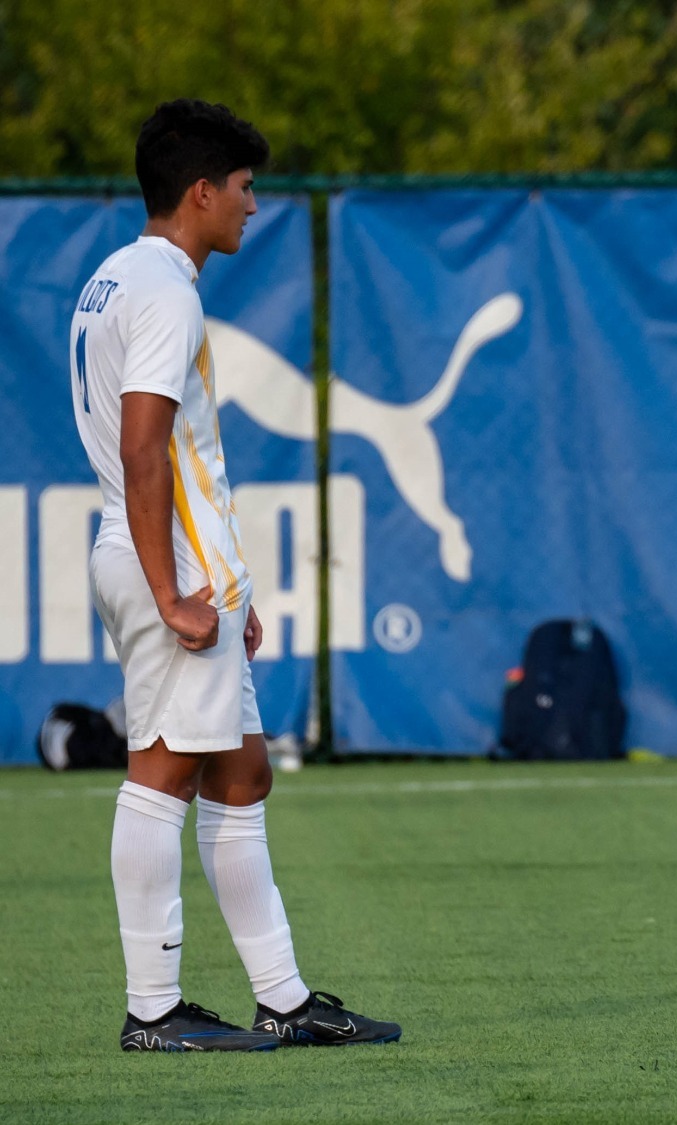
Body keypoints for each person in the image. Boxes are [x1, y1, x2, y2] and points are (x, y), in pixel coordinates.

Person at [70, 99, 400, 1051]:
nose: (254, 205)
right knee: (160, 775)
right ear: (202, 192)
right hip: (162, 562)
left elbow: (159, 450)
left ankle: (284, 1001)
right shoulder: (167, 290)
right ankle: (153, 1010)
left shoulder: (113, 275)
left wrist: (225, 584)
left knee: (243, 771)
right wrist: (171, 590)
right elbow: (143, 447)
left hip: (172, 558)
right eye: (246, 187)